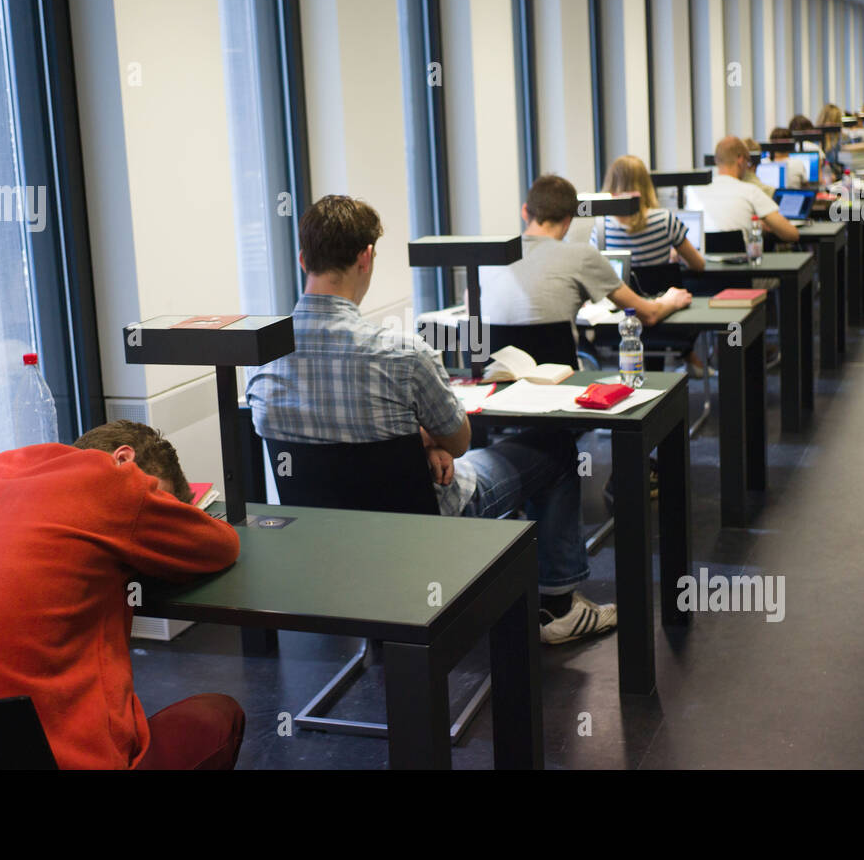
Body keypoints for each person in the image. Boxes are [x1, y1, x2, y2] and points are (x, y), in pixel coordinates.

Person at [245, 193, 632, 644]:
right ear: (366, 257)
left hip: (320, 544)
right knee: (556, 449)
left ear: (301, 259)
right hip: (420, 531)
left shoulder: (262, 358)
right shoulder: (402, 354)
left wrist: (418, 441)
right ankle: (560, 605)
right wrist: (430, 441)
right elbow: (461, 441)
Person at [0, 421, 244, 770]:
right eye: (155, 500)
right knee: (218, 716)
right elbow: (221, 545)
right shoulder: (109, 482)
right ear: (124, 459)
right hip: (43, 758)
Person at [481, 174, 693, 330]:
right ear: (568, 220)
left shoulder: (490, 257)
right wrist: (671, 301)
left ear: (525, 211)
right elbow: (648, 315)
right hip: (562, 380)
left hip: (496, 383)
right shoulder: (581, 256)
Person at [589, 155, 707, 376]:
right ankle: (688, 356)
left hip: (617, 325)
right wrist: (674, 255)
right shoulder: (665, 220)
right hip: (667, 321)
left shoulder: (601, 225)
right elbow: (698, 264)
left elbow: (595, 270)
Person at [686, 136, 800, 244]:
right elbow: (791, 234)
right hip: (741, 261)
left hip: (704, 262)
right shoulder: (750, 191)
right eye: (748, 161)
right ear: (741, 160)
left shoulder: (695, 192)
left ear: (716, 161)